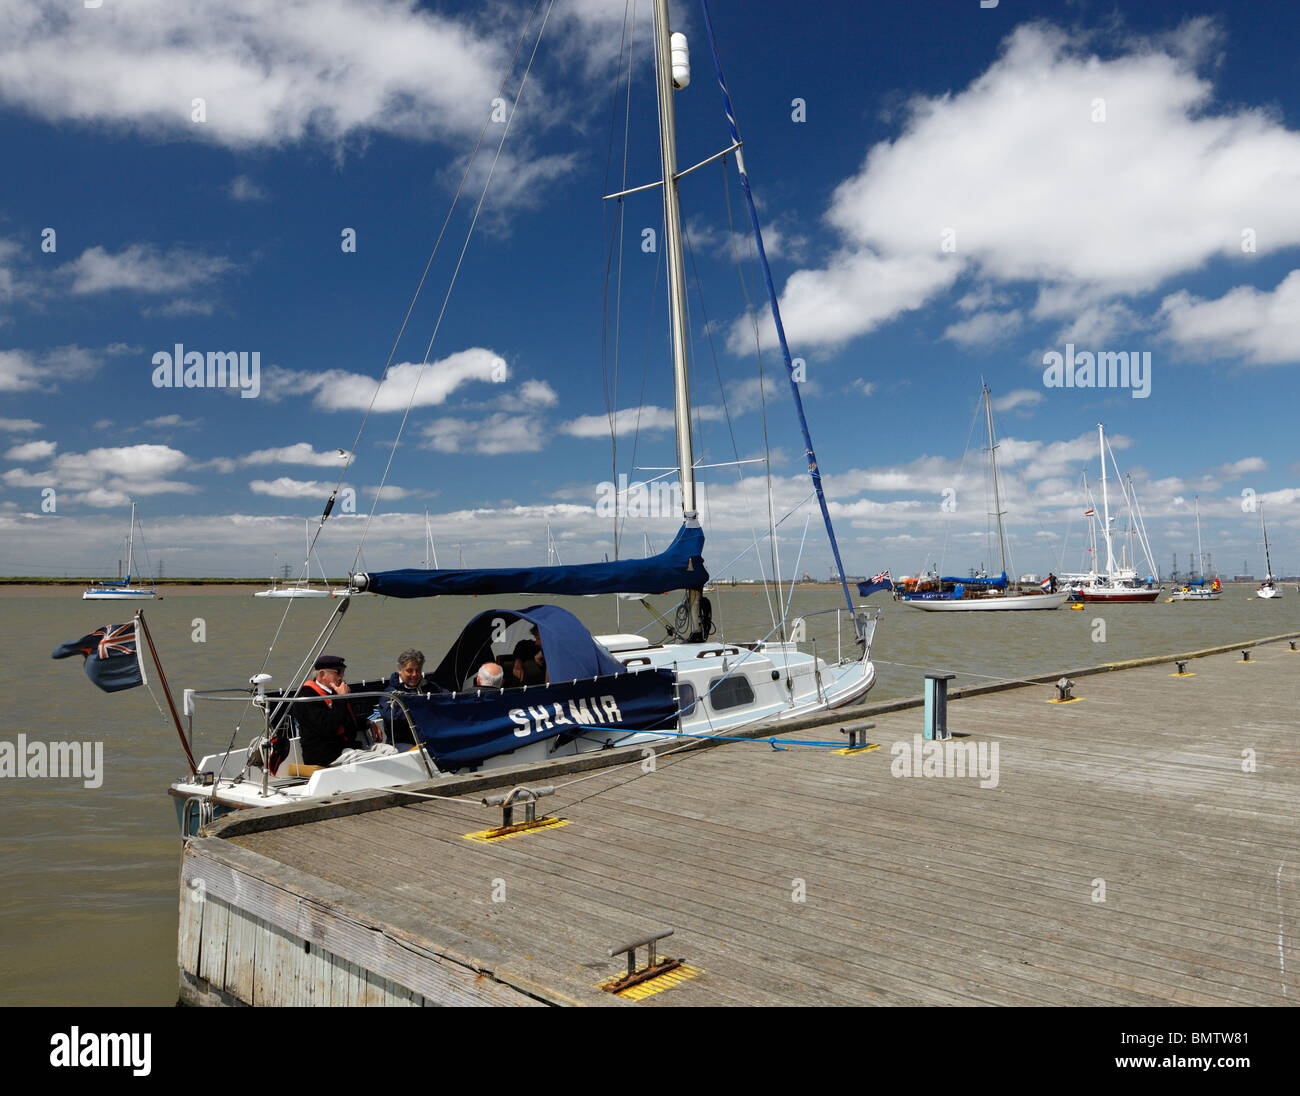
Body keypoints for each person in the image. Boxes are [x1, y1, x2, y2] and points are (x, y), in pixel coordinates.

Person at [295, 654, 386, 767]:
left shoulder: (334, 692)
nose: (342, 676)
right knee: (382, 760)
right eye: (338, 672)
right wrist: (341, 699)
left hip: (348, 749)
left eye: (343, 672)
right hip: (326, 756)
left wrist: (368, 722)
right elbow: (329, 728)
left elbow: (346, 720)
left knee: (391, 753)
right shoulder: (307, 698)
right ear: (322, 674)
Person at [372, 648, 441, 746]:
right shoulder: (390, 693)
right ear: (400, 670)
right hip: (403, 743)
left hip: (430, 739)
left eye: (418, 670)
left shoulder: (430, 687)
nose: (414, 675)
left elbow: (448, 699)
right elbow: (390, 717)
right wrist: (422, 707)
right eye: (409, 671)